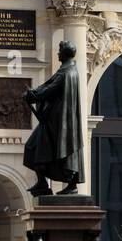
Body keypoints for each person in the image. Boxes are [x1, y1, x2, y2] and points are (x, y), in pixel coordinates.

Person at [23, 41, 83, 196]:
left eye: (59, 51)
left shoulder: (67, 72)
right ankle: (43, 183)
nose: (57, 53)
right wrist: (34, 94)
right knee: (34, 148)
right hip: (53, 120)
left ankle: (70, 185)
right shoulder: (66, 70)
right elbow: (47, 86)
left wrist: (33, 96)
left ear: (65, 53)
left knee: (33, 147)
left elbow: (49, 89)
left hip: (57, 123)